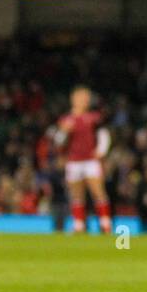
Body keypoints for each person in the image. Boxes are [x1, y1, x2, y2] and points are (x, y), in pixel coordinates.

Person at [51, 86, 112, 234]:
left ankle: (105, 224)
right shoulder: (66, 120)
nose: (84, 100)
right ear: (74, 99)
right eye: (81, 97)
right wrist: (64, 132)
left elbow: (104, 134)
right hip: (73, 161)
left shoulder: (94, 117)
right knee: (76, 195)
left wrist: (101, 151)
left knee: (98, 192)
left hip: (90, 160)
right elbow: (58, 141)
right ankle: (79, 225)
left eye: (86, 98)